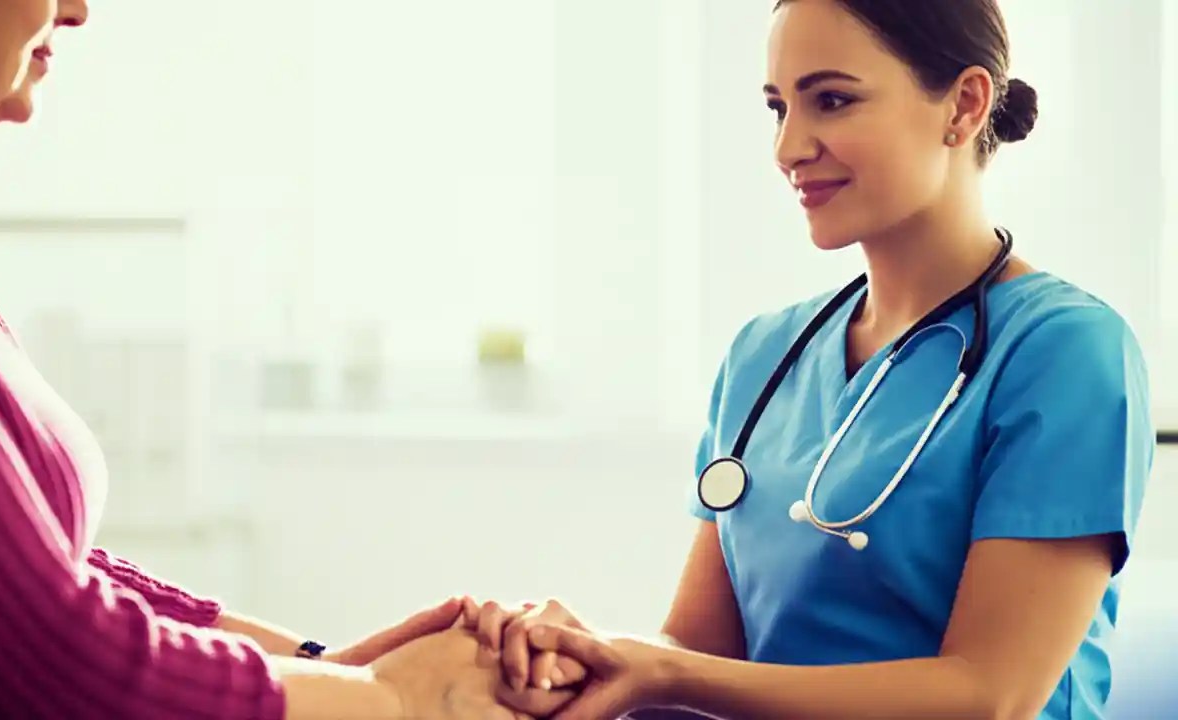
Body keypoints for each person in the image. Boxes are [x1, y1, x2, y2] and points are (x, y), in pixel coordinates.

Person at [467, 1, 1156, 719]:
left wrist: (662, 670)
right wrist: (578, 660)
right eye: (778, 108)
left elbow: (988, 696)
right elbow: (698, 653)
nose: (788, 147)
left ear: (964, 103)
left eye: (831, 100)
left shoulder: (1066, 351)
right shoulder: (763, 354)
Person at [0, 2, 575, 718]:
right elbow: (55, 655)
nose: (76, 11)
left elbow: (24, 568)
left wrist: (330, 670)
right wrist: (393, 697)